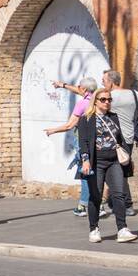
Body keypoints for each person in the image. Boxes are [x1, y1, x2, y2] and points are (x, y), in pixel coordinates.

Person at [78, 89, 137, 244]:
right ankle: (94, 229)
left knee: (119, 194)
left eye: (109, 99)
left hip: (114, 161)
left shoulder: (113, 117)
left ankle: (122, 229)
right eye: (103, 99)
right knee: (95, 196)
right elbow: (83, 142)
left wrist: (128, 158)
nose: (107, 102)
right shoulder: (86, 119)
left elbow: (120, 139)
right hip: (96, 162)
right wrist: (85, 160)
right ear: (95, 101)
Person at [46, 77, 101, 218]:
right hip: (99, 143)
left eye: (79, 87)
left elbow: (69, 125)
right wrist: (63, 85)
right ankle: (95, 204)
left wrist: (53, 130)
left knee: (85, 174)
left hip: (83, 143)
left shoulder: (82, 104)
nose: (77, 88)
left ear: (84, 89)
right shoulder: (98, 100)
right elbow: (80, 90)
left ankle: (86, 206)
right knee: (96, 174)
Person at [104, 69, 138, 217]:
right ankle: (113, 202)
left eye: (104, 81)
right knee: (120, 169)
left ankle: (127, 205)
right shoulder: (134, 94)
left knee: (118, 171)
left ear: (110, 82)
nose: (103, 83)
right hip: (129, 138)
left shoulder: (109, 98)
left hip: (114, 139)